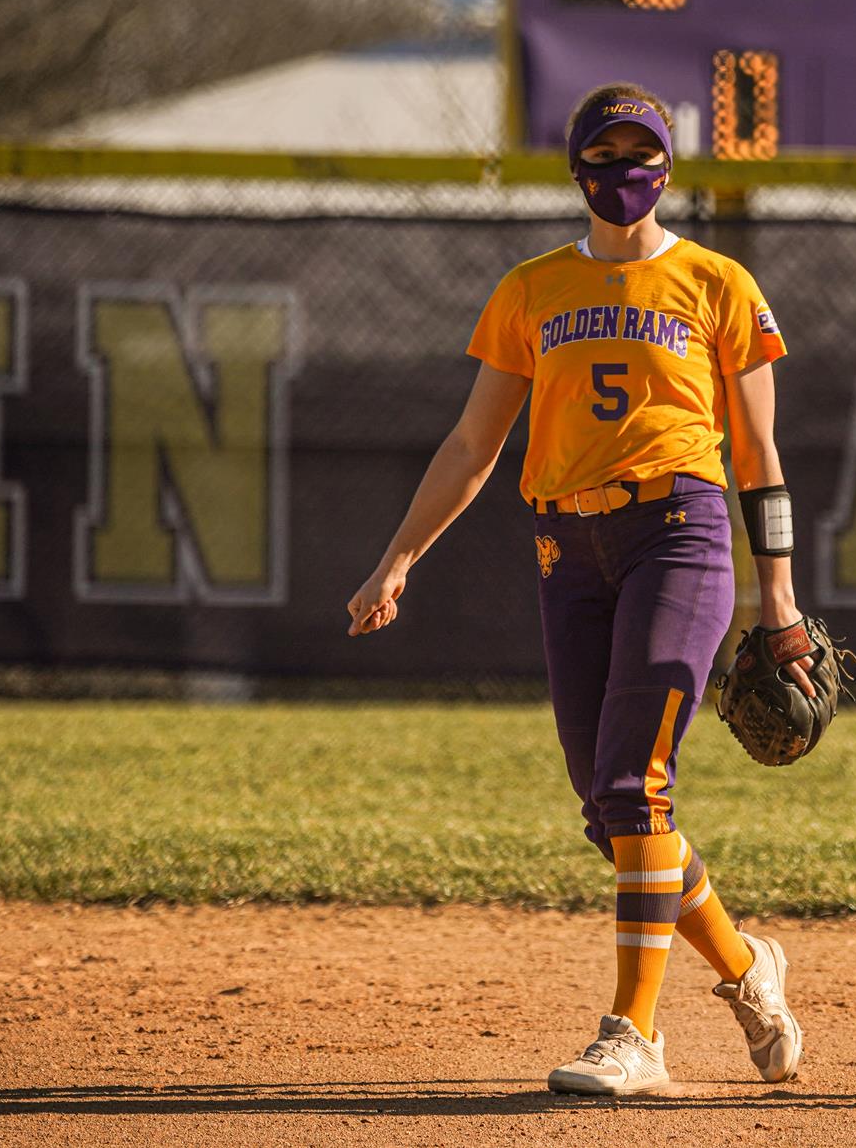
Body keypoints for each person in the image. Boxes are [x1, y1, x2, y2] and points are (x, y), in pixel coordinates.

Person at [346, 83, 813, 1097]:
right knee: (611, 809)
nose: (622, 165)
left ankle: (632, 1033)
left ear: (667, 165)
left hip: (679, 532)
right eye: (603, 148)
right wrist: (400, 556)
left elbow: (761, 457)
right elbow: (474, 445)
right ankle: (745, 971)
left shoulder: (717, 282)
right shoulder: (531, 289)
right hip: (566, 544)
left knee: (635, 786)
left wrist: (775, 596)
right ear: (576, 167)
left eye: (639, 147)